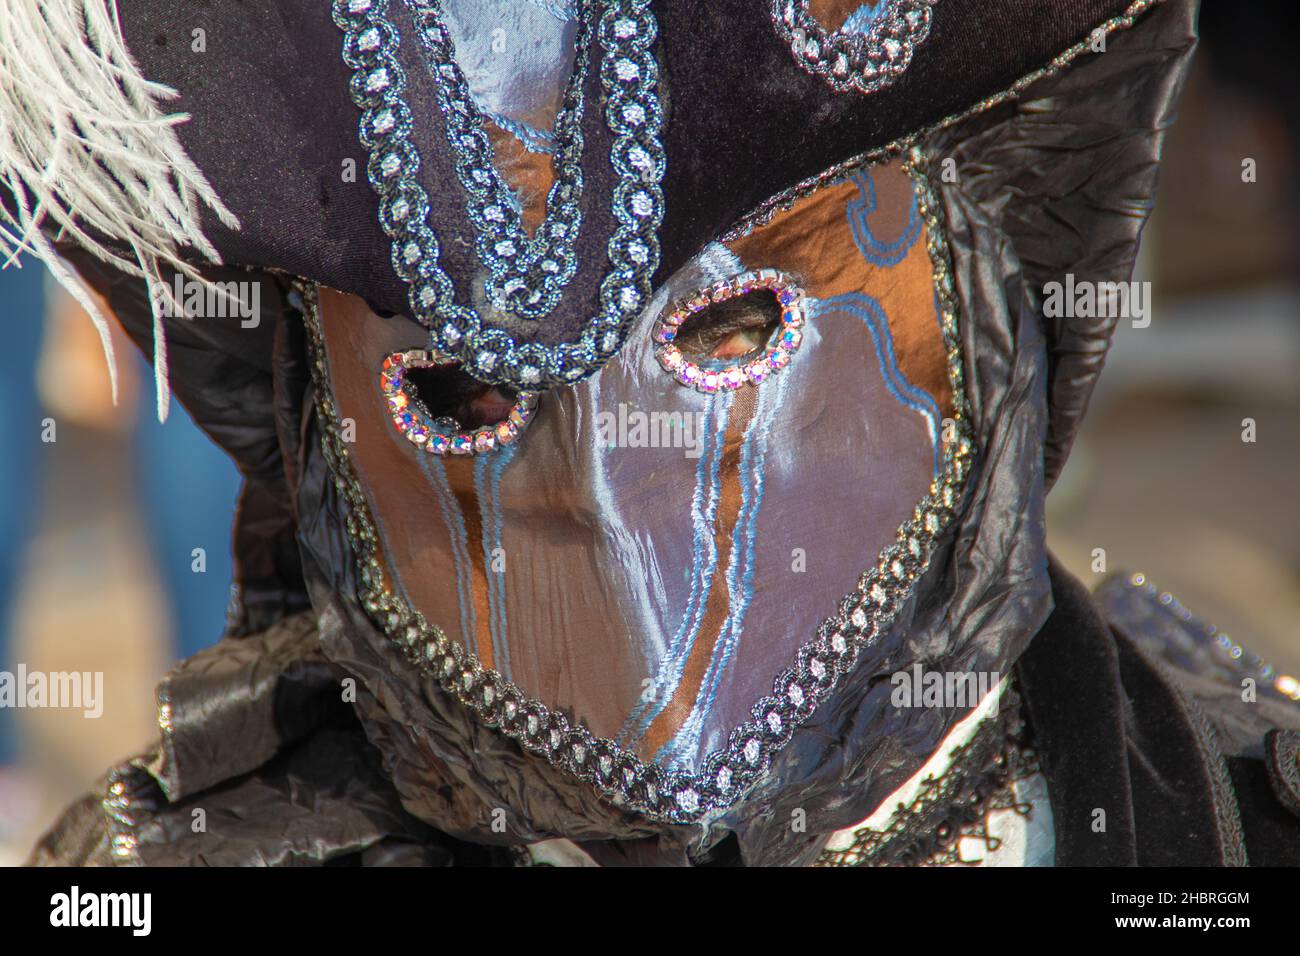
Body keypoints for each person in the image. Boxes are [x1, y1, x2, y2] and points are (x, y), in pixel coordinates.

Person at [3, 0, 1298, 866]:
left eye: (729, 332)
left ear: (984, 280)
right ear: (315, 419)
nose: (606, 504)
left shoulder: (1232, 812)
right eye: (463, 394)